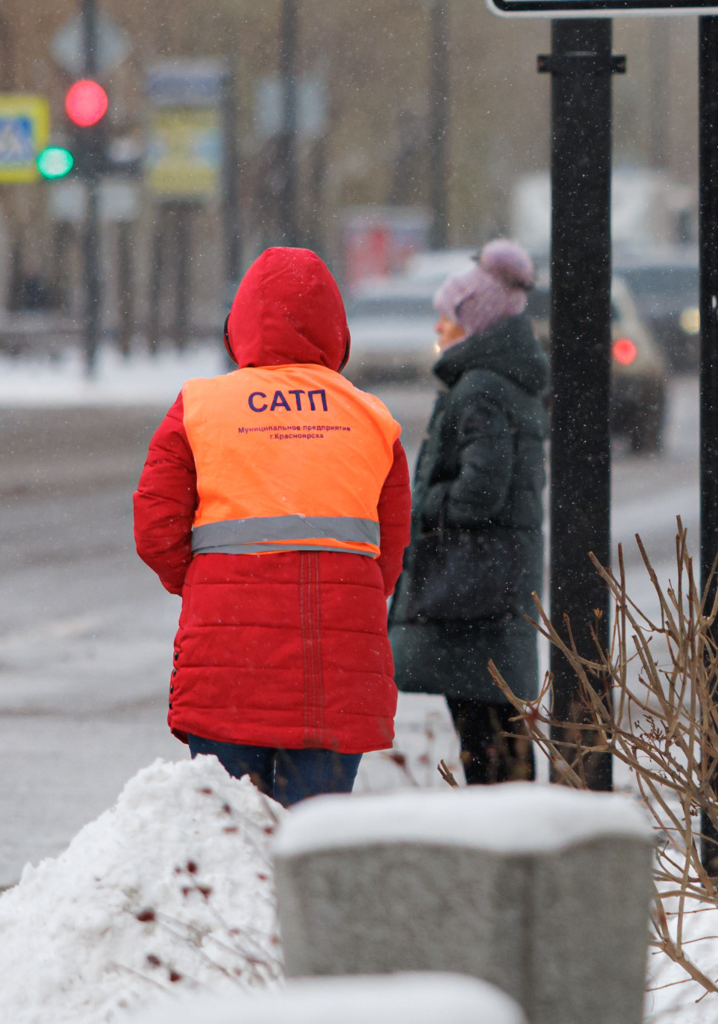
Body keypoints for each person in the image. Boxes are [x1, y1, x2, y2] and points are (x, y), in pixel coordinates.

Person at [134, 247, 409, 805]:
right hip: (340, 663)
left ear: (239, 326)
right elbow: (392, 546)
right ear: (337, 328)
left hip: (227, 661)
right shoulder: (371, 417)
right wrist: (350, 592)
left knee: (233, 833)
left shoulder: (199, 408)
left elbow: (155, 526)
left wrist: (204, 583)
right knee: (316, 838)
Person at [391, 241, 549, 786]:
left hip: (474, 589)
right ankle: (517, 842)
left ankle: (509, 849)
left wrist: (425, 504)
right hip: (492, 583)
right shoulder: (497, 382)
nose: (439, 327)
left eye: (448, 317)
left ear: (473, 323)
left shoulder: (480, 388)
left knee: (488, 739)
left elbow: (481, 491)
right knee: (499, 731)